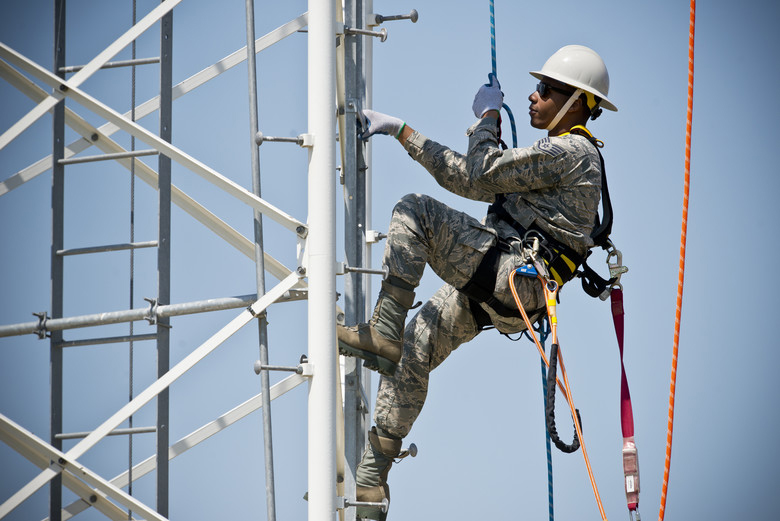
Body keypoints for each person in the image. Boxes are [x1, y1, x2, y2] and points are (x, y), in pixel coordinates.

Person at [337, 45, 617, 520]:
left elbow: (477, 174)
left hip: (513, 276)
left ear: (576, 102)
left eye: (546, 90)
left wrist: (484, 116)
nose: (533, 96)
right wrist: (407, 130)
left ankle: (380, 331)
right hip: (511, 289)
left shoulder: (572, 152)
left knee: (414, 212)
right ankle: (370, 484)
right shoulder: (556, 157)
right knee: (417, 343)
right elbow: (476, 176)